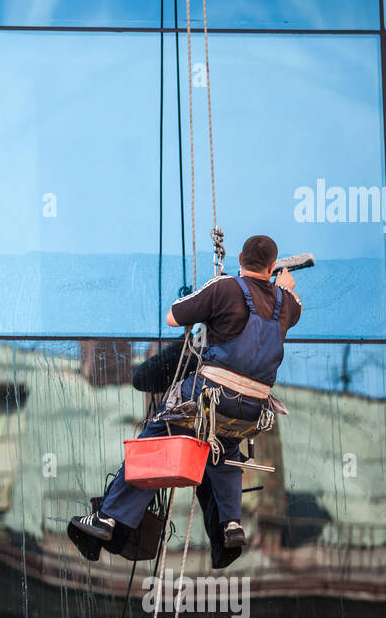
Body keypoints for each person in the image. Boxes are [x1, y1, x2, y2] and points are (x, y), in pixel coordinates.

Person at [69, 234, 302, 560]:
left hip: (211, 393)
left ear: (239, 257)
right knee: (226, 452)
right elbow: (291, 302)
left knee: (155, 440)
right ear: (273, 266)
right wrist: (285, 285)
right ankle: (231, 525)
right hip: (252, 407)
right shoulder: (286, 303)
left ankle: (108, 517)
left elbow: (174, 316)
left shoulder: (225, 288)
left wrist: (213, 292)